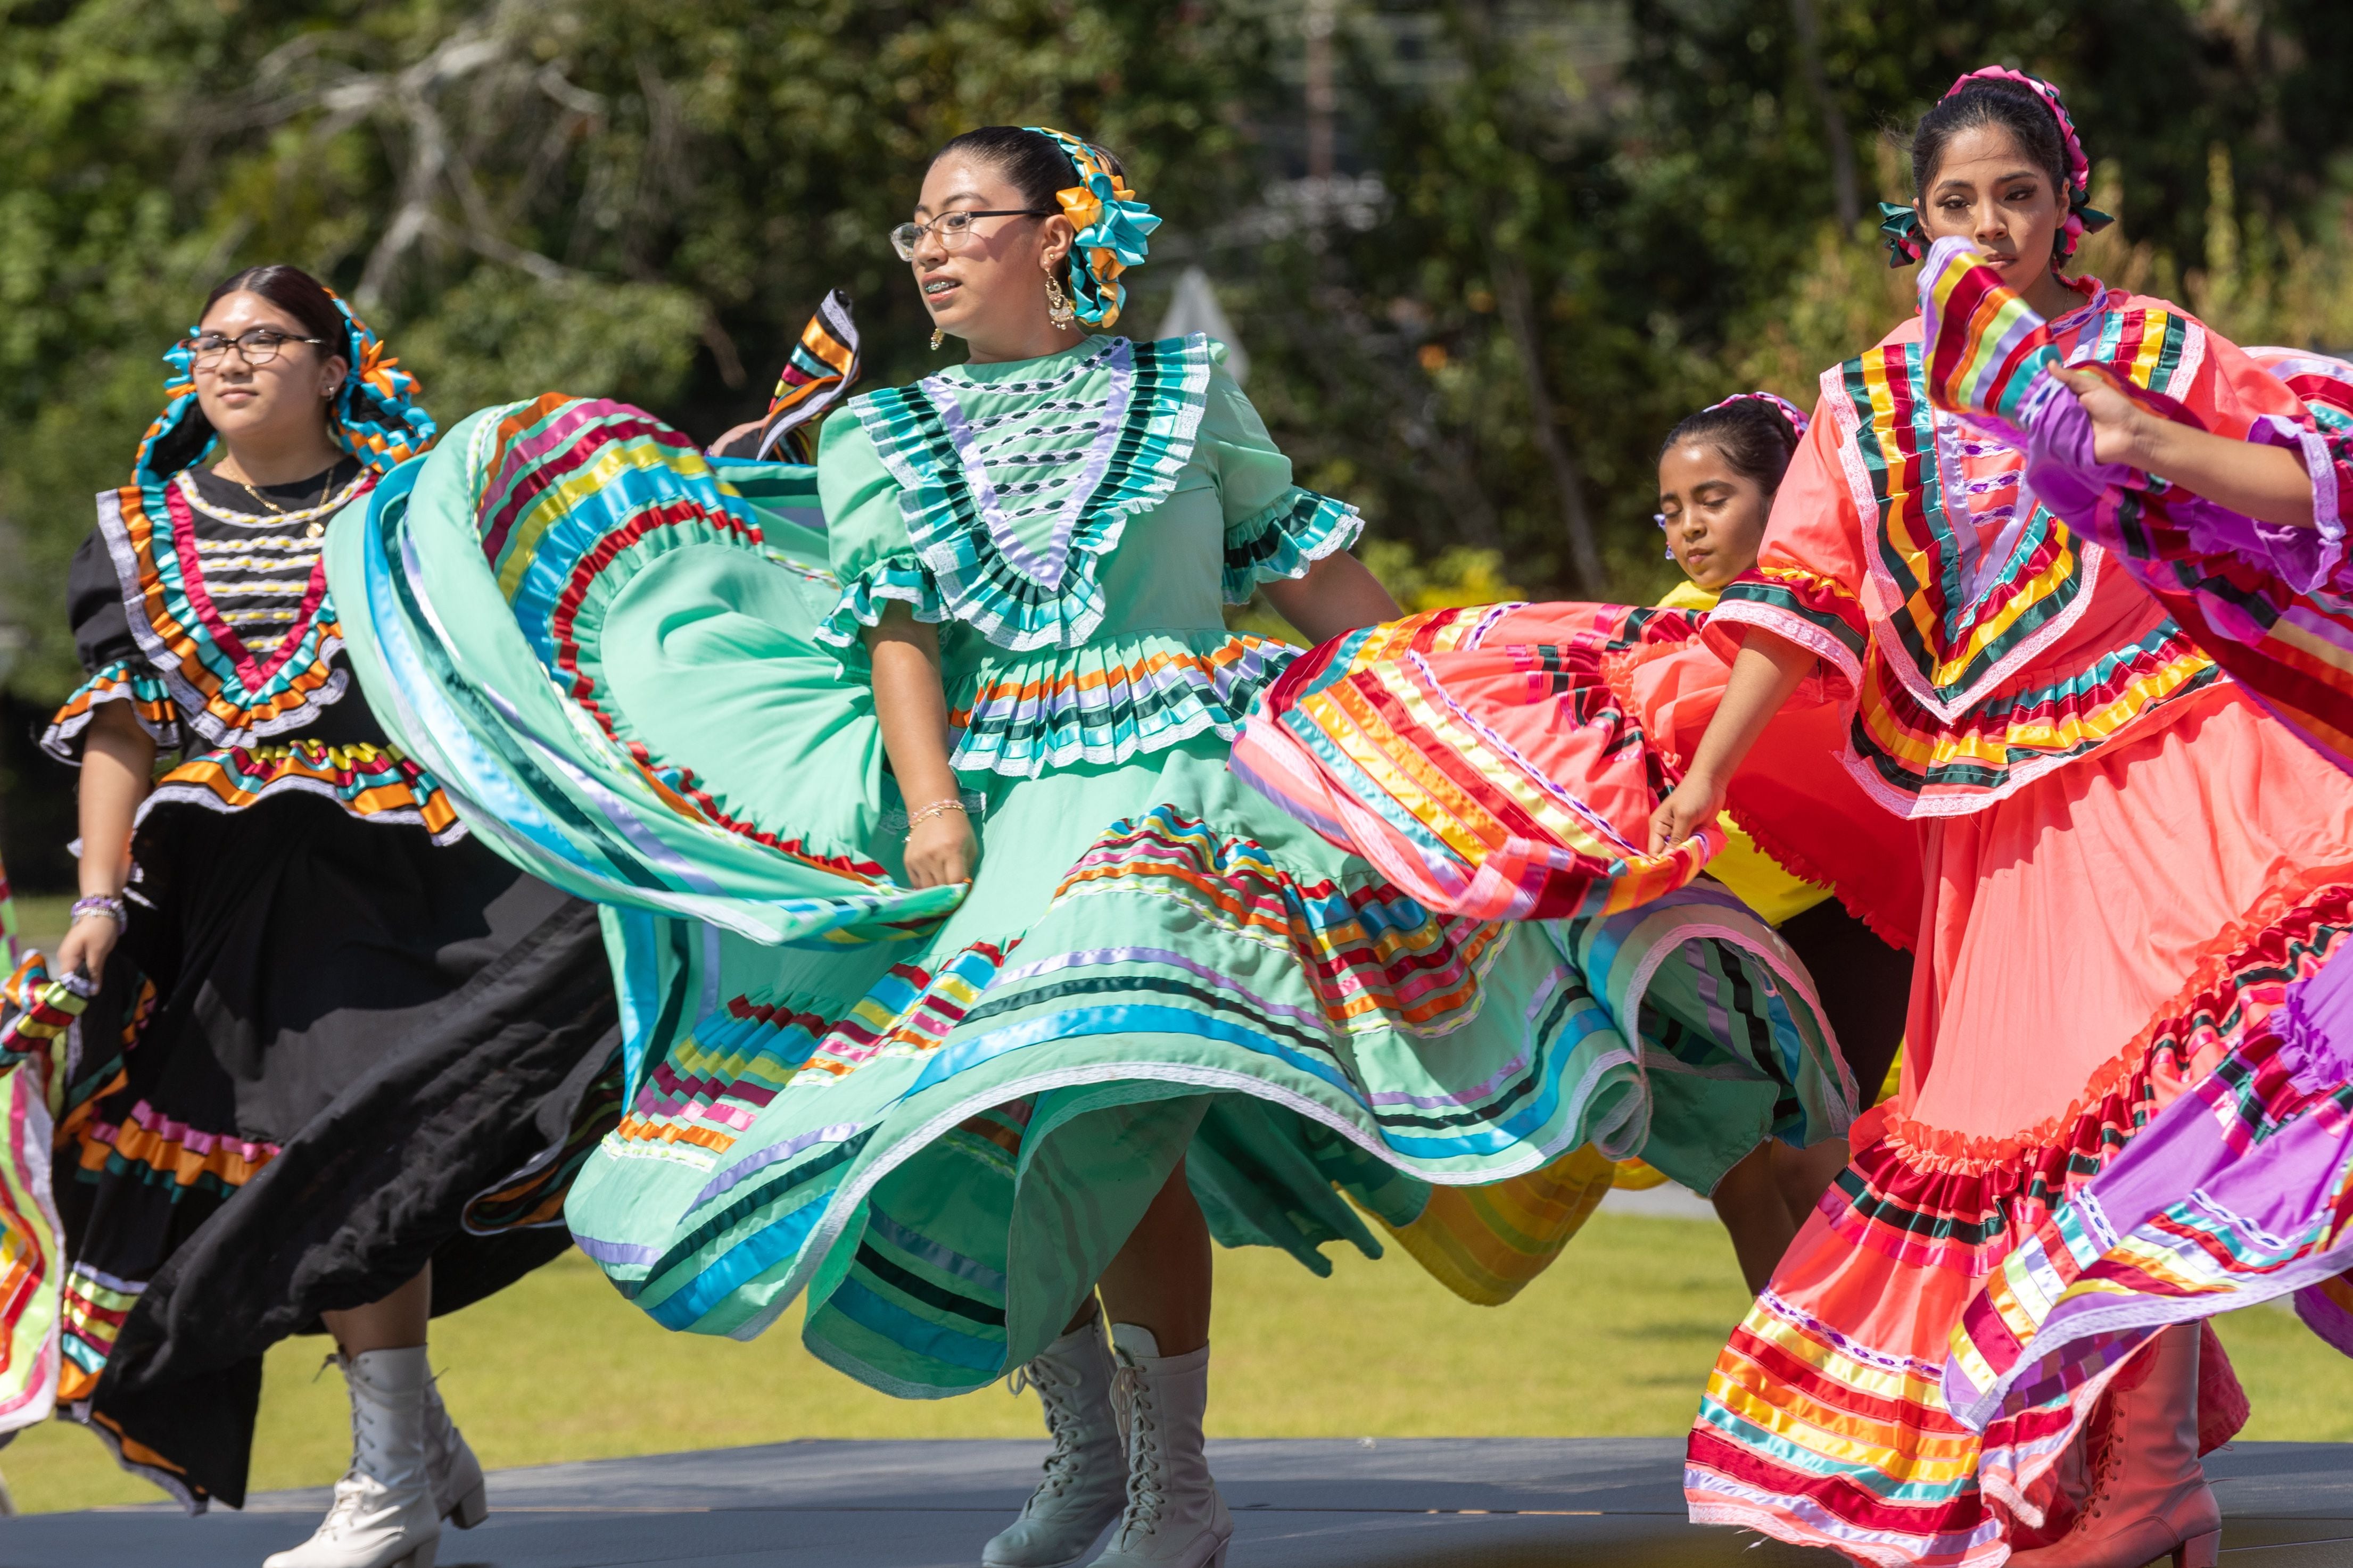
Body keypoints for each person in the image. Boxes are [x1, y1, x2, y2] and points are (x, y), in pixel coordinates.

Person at [327, 127, 1852, 1568]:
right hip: (995, 800)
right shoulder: (883, 429)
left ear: (1057, 234)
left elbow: (1319, 585)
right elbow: (898, 635)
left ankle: (1172, 1477)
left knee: (1105, 1090)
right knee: (979, 1115)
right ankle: (1094, 1451)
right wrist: (928, 807)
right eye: (914, 227)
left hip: (1188, 785)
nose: (927, 249)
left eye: (959, 219)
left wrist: (1449, 736)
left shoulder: (1188, 392)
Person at [1644, 70, 2353, 1566]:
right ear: (1914, 221)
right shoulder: (1864, 400)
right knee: (2058, 1141)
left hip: (2171, 762)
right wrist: (1704, 773)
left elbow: (2298, 487)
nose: (1986, 227)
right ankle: (2139, 1468)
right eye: (1954, 203)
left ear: (2061, 207)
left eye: (2013, 197)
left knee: (2163, 1109)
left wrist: (2147, 445)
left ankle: (2150, 1468)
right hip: (1998, 818)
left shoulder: (2136, 343)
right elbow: (1797, 604)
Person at [38, 265, 621, 1567]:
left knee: (360, 1141)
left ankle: (389, 1487)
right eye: (212, 342)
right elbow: (121, 733)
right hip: (216, 898)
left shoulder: (408, 511)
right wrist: (95, 898)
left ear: (335, 366)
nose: (232, 362)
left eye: (266, 341)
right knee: (242, 1179)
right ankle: (409, 1435)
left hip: (404, 877)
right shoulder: (137, 529)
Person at [1650, 392, 1914, 1291]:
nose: (1688, 528)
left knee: (1811, 1166)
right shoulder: (1666, 623)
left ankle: (1867, 1384)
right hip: (1728, 926)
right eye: (1672, 510)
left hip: (1848, 914)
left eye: (1713, 499)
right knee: (1734, 1172)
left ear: (1782, 498)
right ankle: (1793, 1388)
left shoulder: (1853, 606)